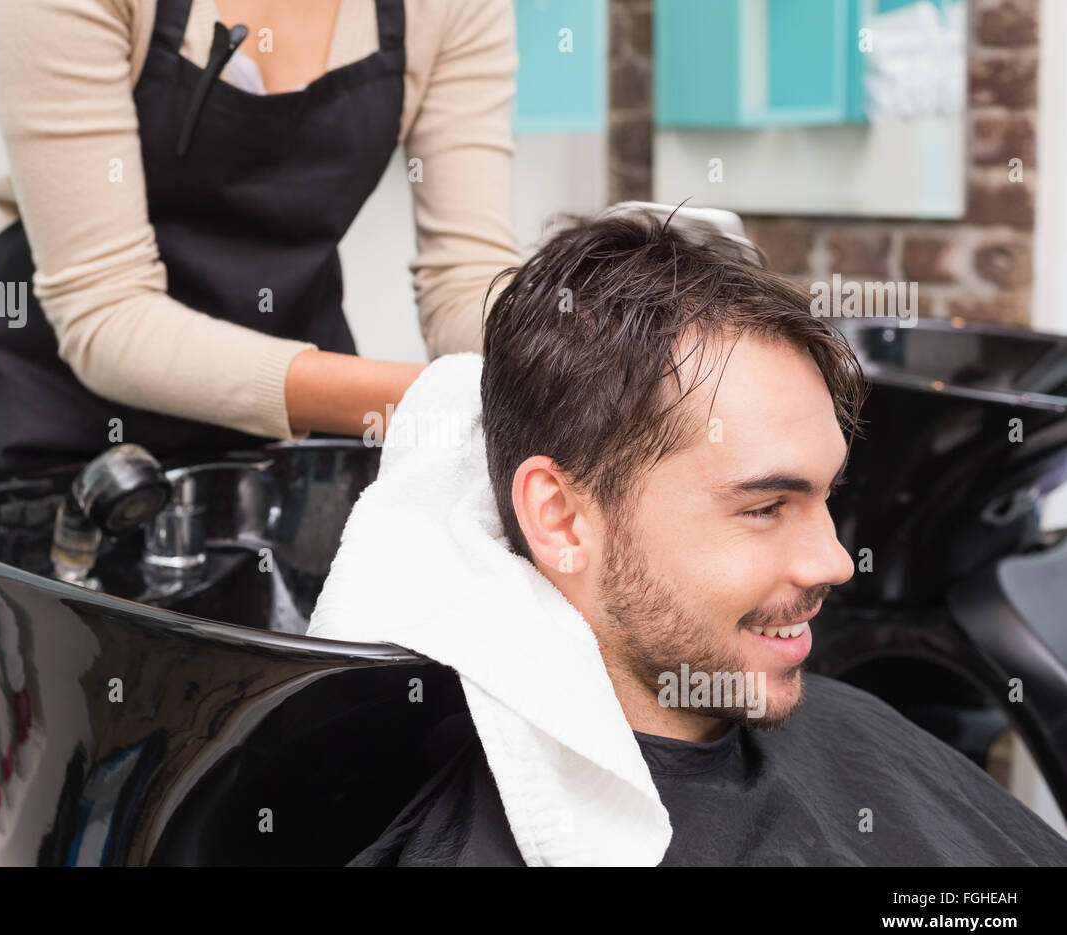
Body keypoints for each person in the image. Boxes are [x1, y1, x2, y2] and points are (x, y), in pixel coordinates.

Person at [349, 211, 1067, 866]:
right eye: (764, 508)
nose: (836, 562)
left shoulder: (859, 733)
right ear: (562, 517)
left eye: (827, 496)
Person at [0, 0, 521, 485]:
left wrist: (565, 357)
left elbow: (466, 280)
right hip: (56, 432)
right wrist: (427, 402)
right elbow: (106, 314)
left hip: (292, 445)